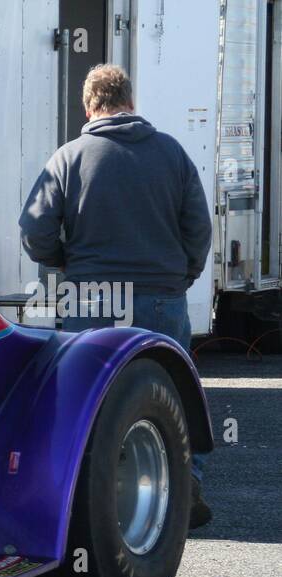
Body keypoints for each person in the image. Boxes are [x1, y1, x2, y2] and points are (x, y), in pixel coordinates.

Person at [19, 63, 213, 528]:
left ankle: (89, 494)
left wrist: (65, 261)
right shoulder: (173, 154)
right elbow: (199, 230)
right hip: (161, 297)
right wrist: (180, 275)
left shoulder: (69, 157)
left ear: (89, 107)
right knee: (169, 394)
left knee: (89, 397)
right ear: (130, 101)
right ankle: (181, 482)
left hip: (92, 298)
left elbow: (33, 230)